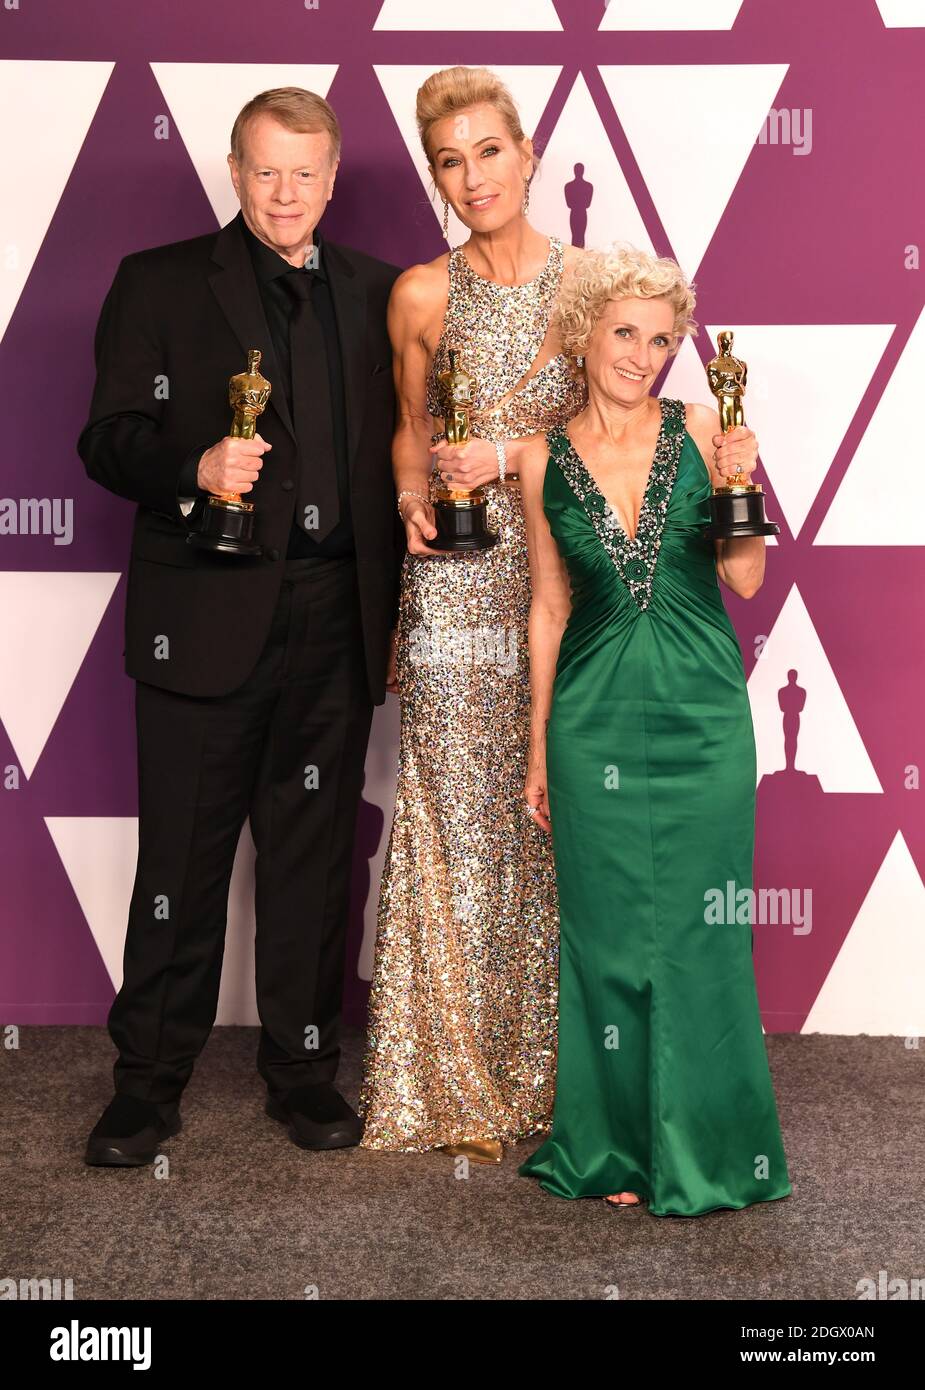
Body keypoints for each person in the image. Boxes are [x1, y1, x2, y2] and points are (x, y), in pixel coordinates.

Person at [78, 87, 403, 1166]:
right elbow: (106, 438)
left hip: (331, 617)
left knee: (311, 860)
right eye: (266, 171)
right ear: (232, 169)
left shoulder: (376, 293)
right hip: (204, 612)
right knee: (182, 855)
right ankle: (146, 1085)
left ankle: (304, 1073)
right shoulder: (160, 282)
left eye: (305, 173)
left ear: (331, 175)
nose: (285, 193)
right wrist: (192, 470)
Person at [517, 244, 793, 1215]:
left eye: (661, 339)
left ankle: (709, 1146)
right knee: (607, 937)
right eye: (625, 332)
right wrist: (537, 746)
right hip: (590, 720)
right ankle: (619, 1146)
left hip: (702, 714)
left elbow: (746, 577)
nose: (641, 355)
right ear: (586, 329)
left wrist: (740, 482)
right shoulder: (537, 456)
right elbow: (547, 607)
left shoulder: (707, 422)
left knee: (701, 933)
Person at [357, 66, 587, 1163]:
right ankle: (440, 1078)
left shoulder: (591, 288)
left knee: (547, 811)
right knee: (451, 810)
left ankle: (553, 1073)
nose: (471, 176)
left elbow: (625, 443)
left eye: (488, 149)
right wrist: (412, 495)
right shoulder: (417, 293)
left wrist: (508, 455)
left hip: (561, 580)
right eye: (449, 159)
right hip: (453, 583)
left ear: (528, 152)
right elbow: (407, 429)